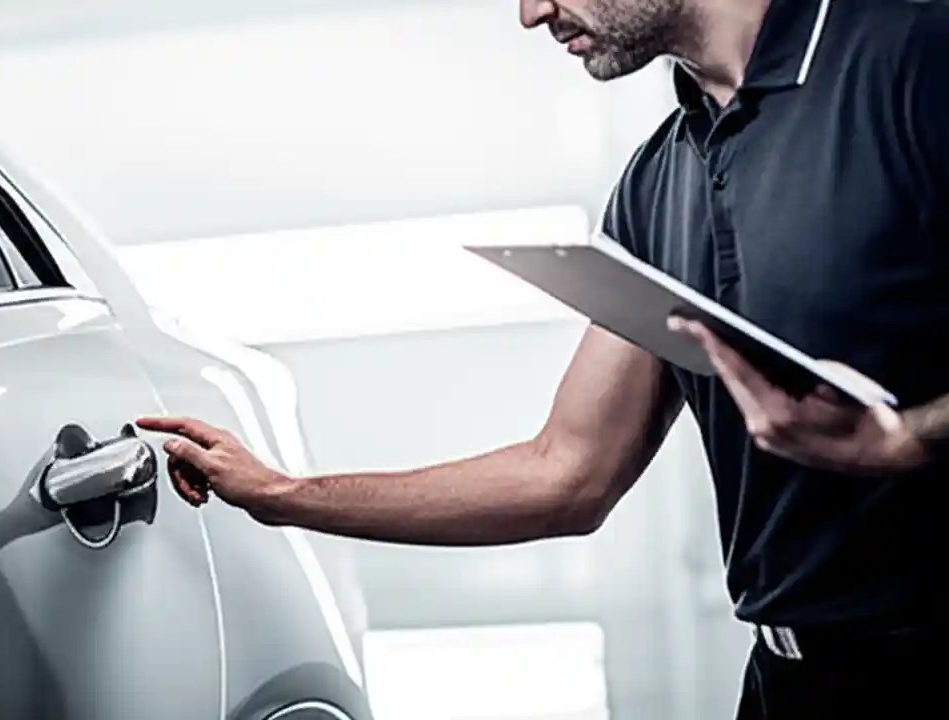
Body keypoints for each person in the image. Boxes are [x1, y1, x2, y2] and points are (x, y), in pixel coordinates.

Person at [138, 0, 949, 716]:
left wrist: (906, 439)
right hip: (789, 680)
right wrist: (284, 496)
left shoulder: (914, 54)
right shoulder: (656, 180)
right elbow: (567, 473)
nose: (530, 13)